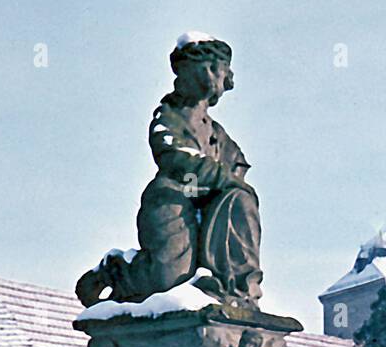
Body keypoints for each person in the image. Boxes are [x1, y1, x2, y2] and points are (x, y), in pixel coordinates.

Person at [75, 33, 263, 307]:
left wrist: (230, 184)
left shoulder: (219, 135)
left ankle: (236, 286)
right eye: (213, 70)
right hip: (172, 198)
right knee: (168, 276)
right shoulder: (167, 116)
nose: (219, 79)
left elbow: (237, 168)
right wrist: (222, 178)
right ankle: (114, 271)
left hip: (209, 204)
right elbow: (175, 159)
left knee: (242, 199)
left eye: (220, 72)